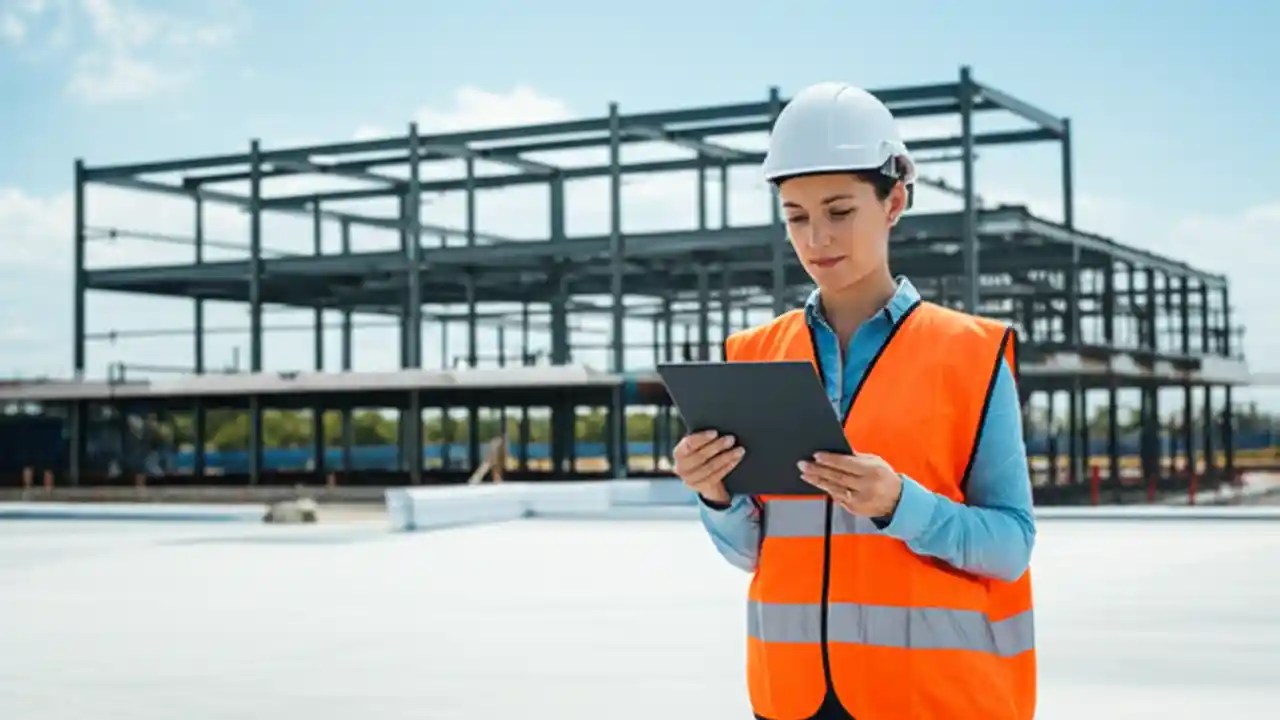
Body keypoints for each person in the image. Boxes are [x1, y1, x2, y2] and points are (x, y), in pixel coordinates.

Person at [673, 82, 1037, 720]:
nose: (816, 239)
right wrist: (715, 496)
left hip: (933, 700)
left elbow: (1010, 545)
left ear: (894, 201)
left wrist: (901, 505)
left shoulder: (971, 355)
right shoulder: (752, 355)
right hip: (792, 697)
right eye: (796, 216)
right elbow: (750, 553)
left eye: (839, 211)